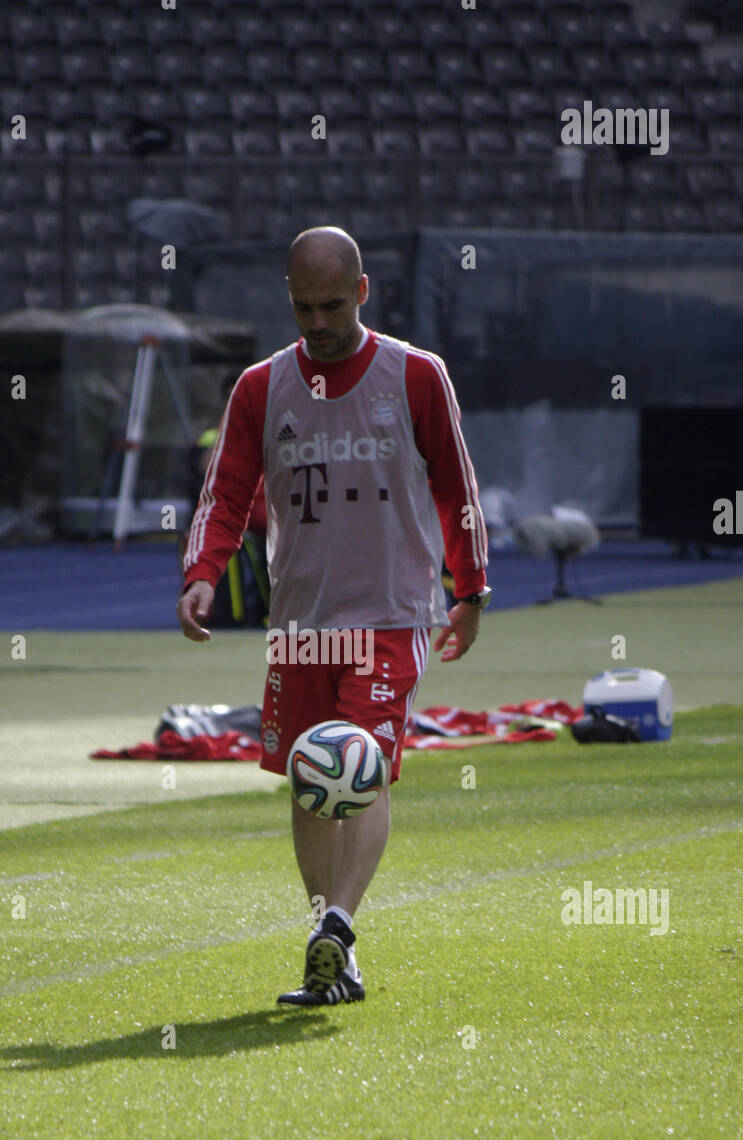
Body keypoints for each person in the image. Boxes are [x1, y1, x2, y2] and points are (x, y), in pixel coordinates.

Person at [178, 226, 489, 1006]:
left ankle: (340, 924)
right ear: (288, 296)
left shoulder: (416, 376)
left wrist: (470, 589)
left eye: (329, 305)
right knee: (308, 781)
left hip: (390, 612)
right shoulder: (259, 387)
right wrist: (201, 574)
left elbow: (456, 488)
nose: (316, 322)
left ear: (361, 291)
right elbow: (227, 493)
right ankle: (329, 944)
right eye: (301, 306)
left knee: (361, 763)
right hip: (301, 622)